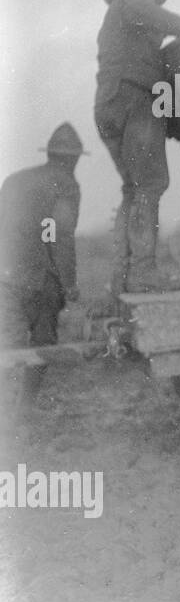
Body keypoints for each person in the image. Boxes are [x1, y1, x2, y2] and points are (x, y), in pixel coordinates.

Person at [94, 0, 180, 293]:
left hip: (108, 104)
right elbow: (142, 9)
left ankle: (123, 277)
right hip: (135, 98)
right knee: (151, 183)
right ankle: (142, 275)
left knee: (132, 187)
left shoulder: (111, 23)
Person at [0, 124, 84, 403]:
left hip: (5, 274)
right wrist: (69, 285)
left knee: (7, 344)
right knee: (42, 344)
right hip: (40, 280)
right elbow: (61, 236)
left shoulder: (14, 180)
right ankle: (24, 406)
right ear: (73, 158)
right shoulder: (66, 185)